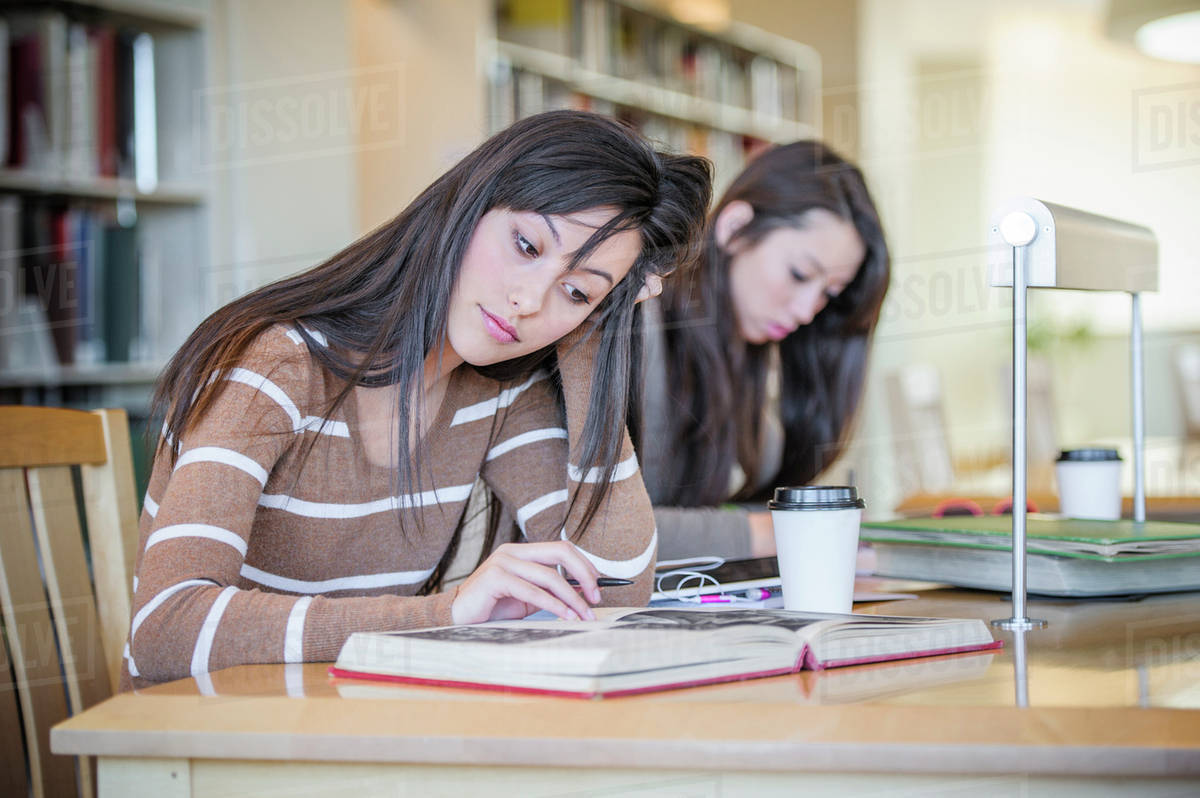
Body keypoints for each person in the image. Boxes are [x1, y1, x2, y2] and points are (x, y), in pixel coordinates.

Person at [125, 110, 711, 688]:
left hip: (352, 735)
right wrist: (442, 615)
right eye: (528, 246)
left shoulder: (500, 391)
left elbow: (611, 594)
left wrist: (591, 330)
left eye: (575, 291)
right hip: (208, 748)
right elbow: (165, 628)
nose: (529, 302)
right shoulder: (277, 363)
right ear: (472, 201)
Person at [641, 141, 890, 561]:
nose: (808, 310)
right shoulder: (637, 321)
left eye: (829, 293)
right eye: (799, 274)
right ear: (735, 227)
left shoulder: (750, 359)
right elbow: (597, 534)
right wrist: (784, 531)